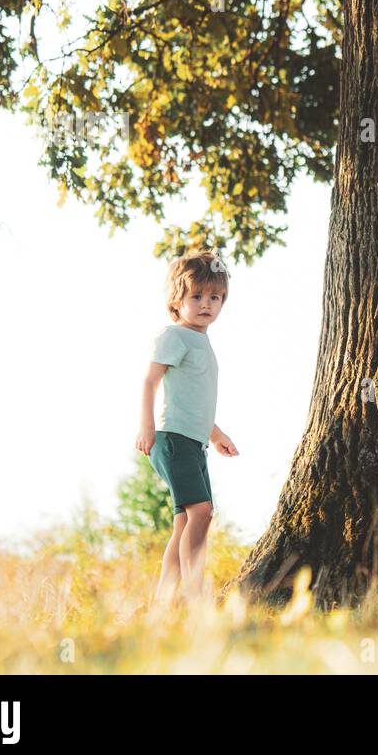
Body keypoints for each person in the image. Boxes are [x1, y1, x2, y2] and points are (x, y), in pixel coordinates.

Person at [135, 248, 239, 605]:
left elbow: (194, 402)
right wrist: (147, 427)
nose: (206, 304)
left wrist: (217, 434)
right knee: (202, 512)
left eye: (215, 297)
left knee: (186, 522)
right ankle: (196, 595)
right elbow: (150, 382)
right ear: (177, 301)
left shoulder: (202, 341)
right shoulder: (174, 336)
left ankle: (163, 601)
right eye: (196, 296)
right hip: (172, 439)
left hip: (195, 442)